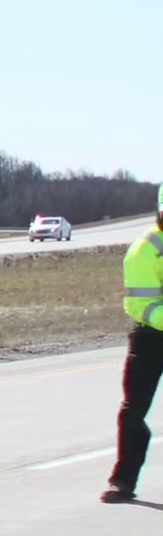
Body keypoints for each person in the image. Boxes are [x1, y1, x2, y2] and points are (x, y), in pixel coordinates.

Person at [105, 187, 163, 502]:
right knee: (133, 411)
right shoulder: (146, 250)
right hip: (152, 338)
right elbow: (142, 306)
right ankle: (123, 481)